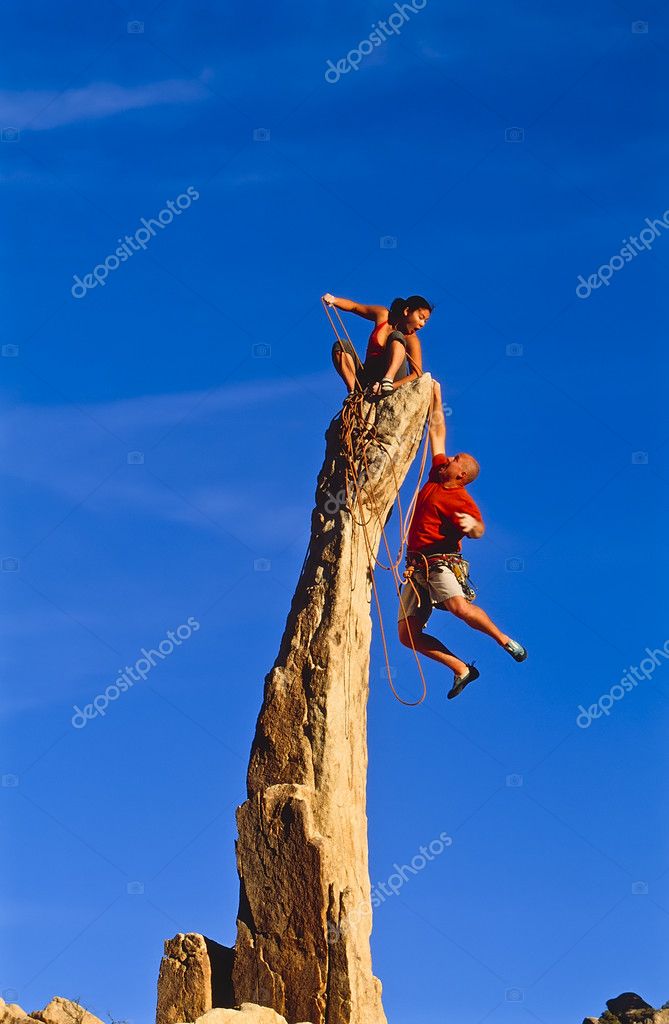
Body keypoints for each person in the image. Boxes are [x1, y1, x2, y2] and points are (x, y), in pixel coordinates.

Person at [397, 382, 527, 699]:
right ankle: (461, 669)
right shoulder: (437, 472)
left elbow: (479, 528)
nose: (450, 458)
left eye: (456, 459)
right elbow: (437, 431)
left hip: (439, 564)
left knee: (459, 608)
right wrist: (436, 397)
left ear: (461, 475)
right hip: (416, 567)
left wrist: (473, 527)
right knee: (407, 636)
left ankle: (503, 639)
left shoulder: (462, 501)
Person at [323, 293, 433, 397]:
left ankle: (387, 382)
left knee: (397, 335)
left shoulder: (412, 339)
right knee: (341, 346)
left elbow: (417, 373)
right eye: (421, 317)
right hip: (369, 375)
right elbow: (355, 307)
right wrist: (334, 300)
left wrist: (392, 386)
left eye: (425, 321)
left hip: (393, 380)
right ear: (407, 311)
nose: (422, 324)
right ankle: (354, 392)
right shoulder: (383, 315)